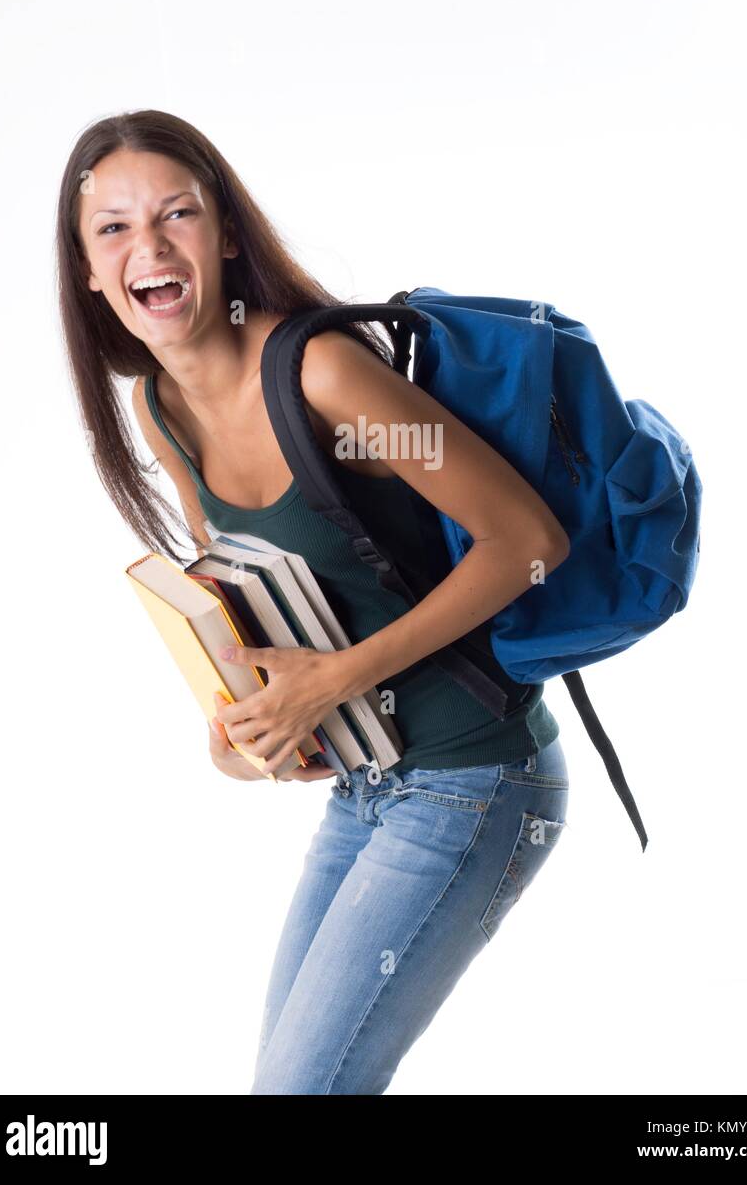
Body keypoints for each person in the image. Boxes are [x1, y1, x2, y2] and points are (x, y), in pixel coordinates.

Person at [58, 108, 571, 1095]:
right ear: (87, 268)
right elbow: (244, 609)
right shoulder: (159, 412)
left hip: (476, 776)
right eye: (112, 227)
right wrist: (241, 727)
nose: (149, 246)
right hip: (366, 783)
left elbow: (526, 540)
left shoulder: (322, 373)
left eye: (177, 214)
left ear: (227, 233)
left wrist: (333, 677)